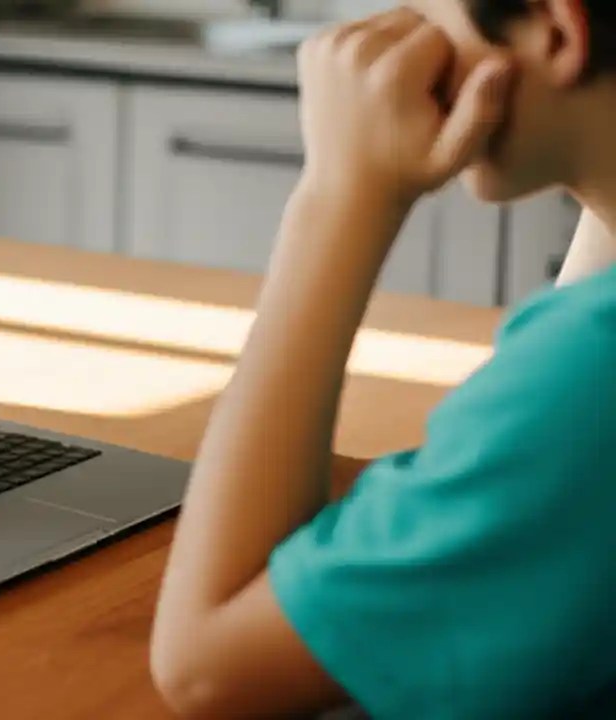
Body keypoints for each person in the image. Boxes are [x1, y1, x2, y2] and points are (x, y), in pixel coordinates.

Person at [149, 1, 616, 718]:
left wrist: (341, 193)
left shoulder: (587, 372)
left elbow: (205, 668)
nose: (395, 32)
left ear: (554, 31)